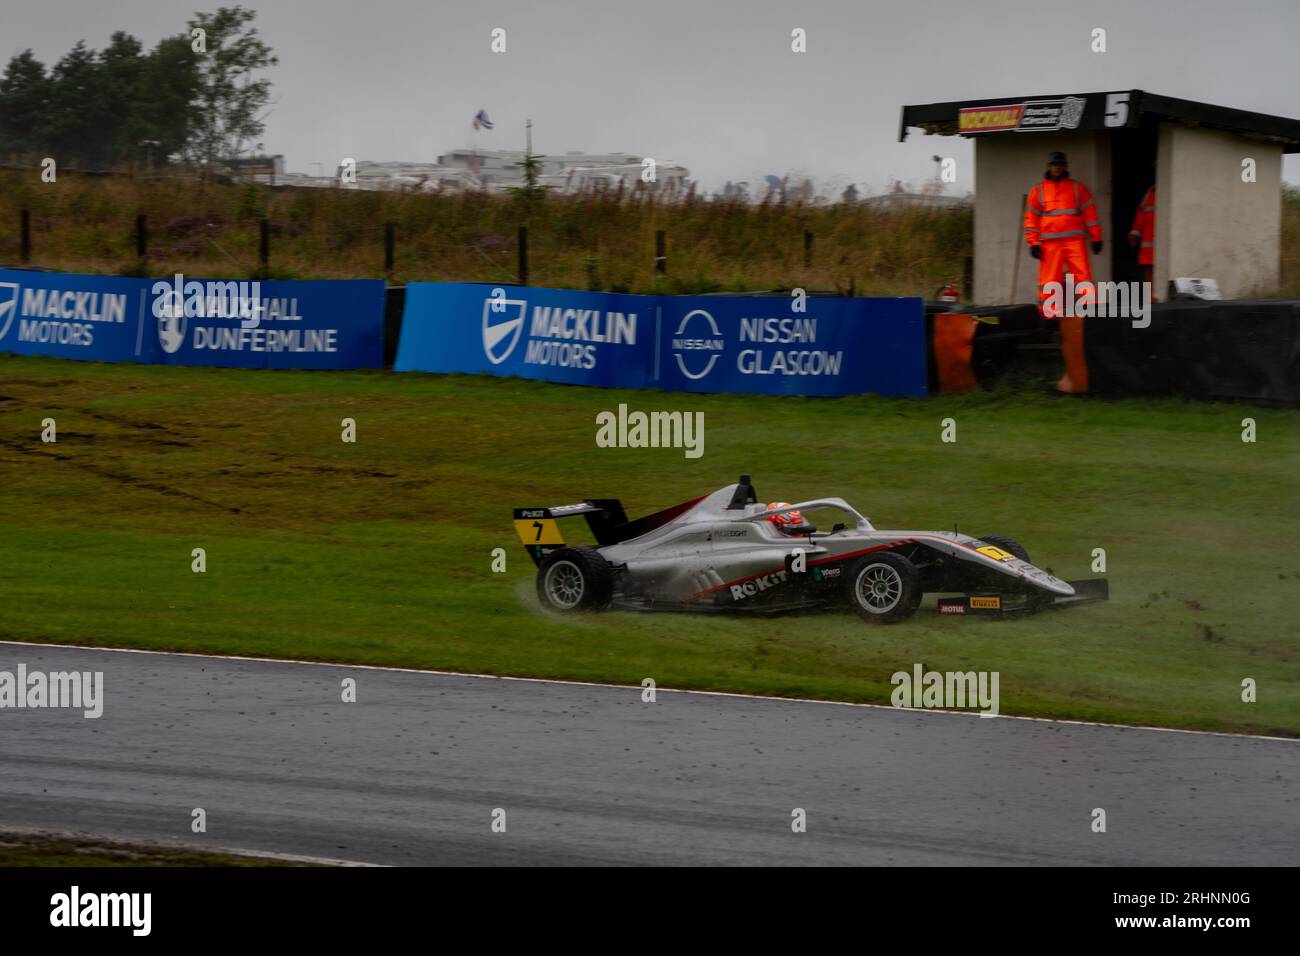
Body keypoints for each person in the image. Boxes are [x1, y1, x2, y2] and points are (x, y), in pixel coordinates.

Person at [1023, 151, 1102, 392]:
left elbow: (1090, 213)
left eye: (1060, 165)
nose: (1057, 168)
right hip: (1050, 245)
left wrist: (1096, 237)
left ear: (1065, 166)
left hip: (1074, 241)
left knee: (1083, 275)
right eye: (1054, 165)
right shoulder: (1039, 191)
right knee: (1049, 282)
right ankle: (1048, 319)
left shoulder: (1077, 189)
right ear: (1049, 166)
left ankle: (1090, 311)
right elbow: (1031, 218)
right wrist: (1033, 242)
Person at [1128, 181, 1155, 288]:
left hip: (1159, 248)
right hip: (1149, 247)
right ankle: (1151, 302)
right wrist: (1134, 234)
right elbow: (1141, 214)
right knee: (1149, 278)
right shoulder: (1150, 192)